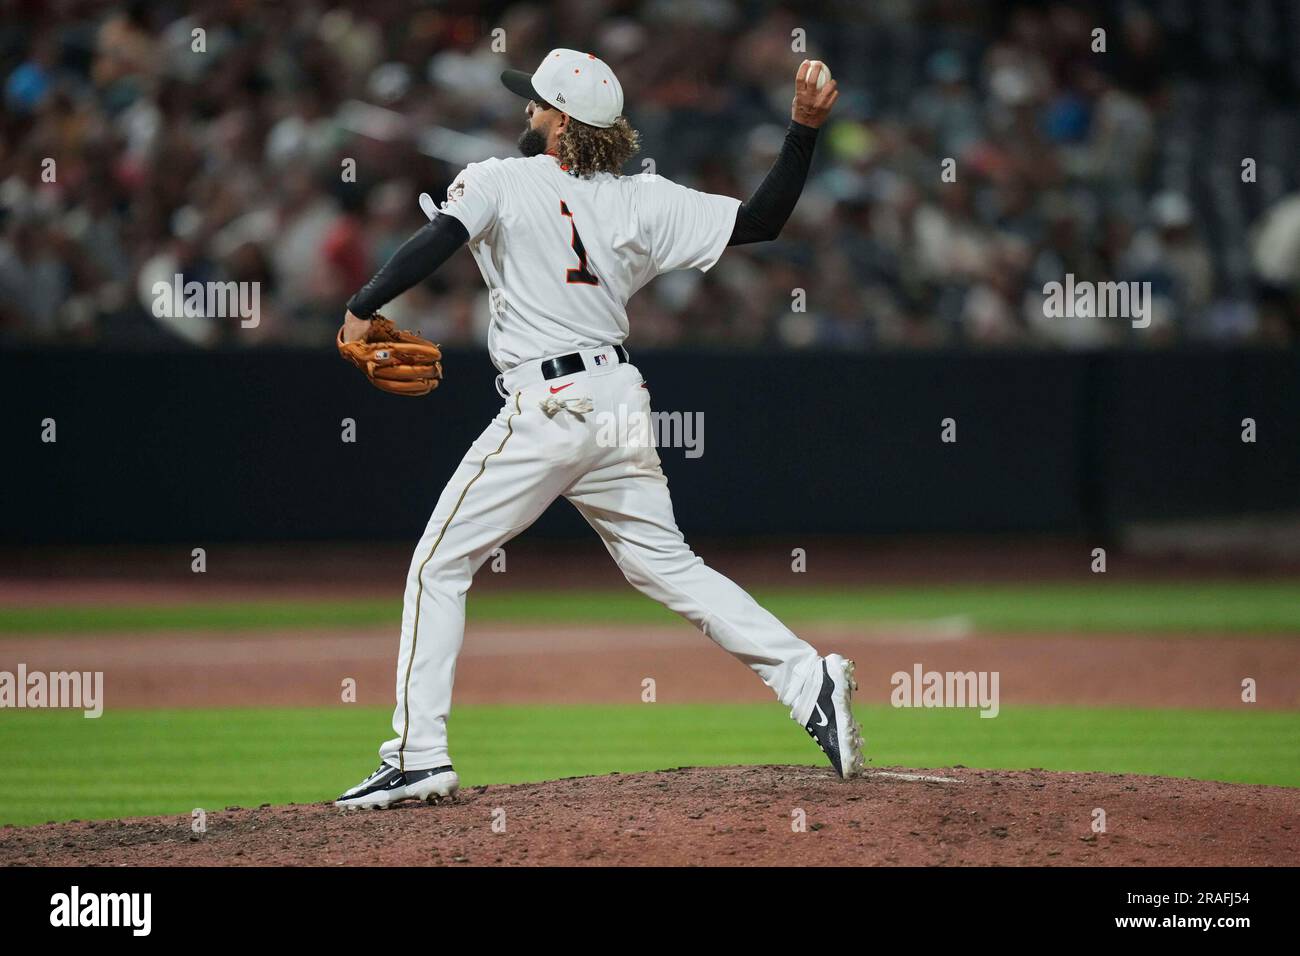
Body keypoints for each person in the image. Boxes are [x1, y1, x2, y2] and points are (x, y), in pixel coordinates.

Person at [335, 50, 862, 809]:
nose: (526, 111)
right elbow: (762, 220)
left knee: (437, 566)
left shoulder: (496, 178)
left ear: (559, 122)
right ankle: (806, 677)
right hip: (615, 398)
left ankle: (418, 754)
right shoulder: (639, 199)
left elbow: (442, 238)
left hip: (549, 403)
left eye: (536, 103)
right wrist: (803, 131)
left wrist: (362, 305)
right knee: (666, 565)